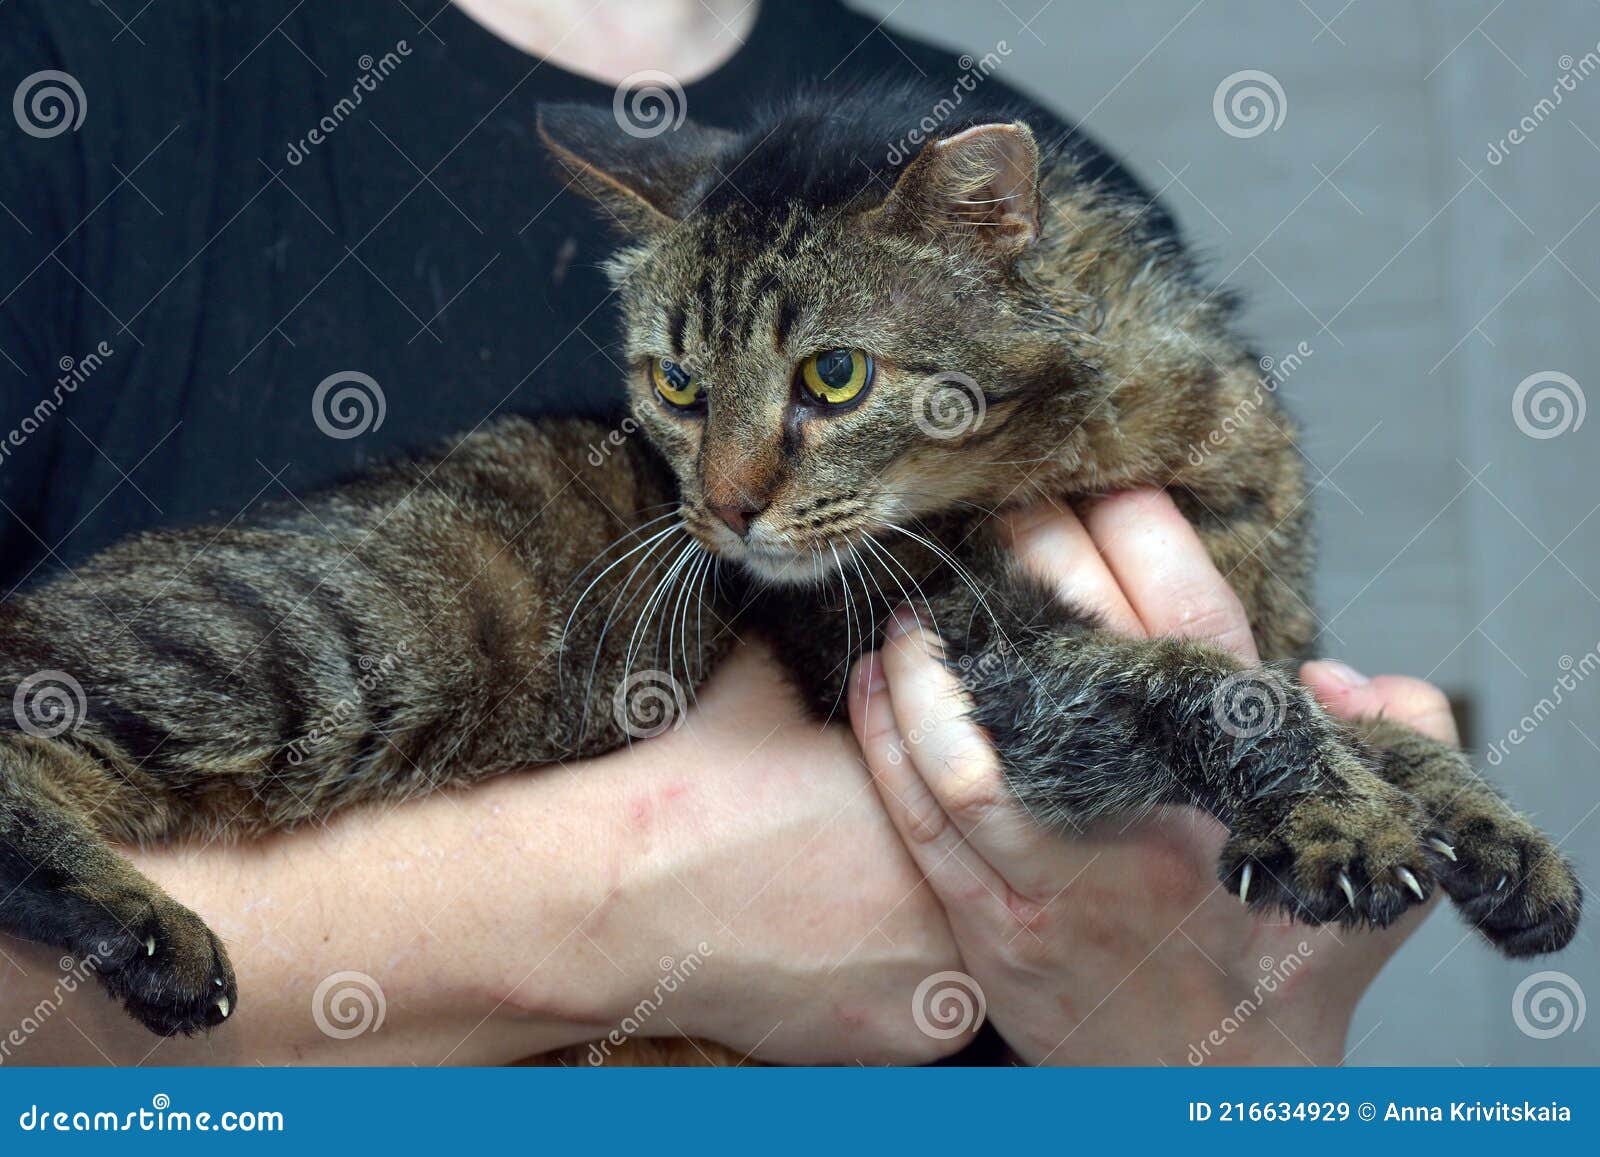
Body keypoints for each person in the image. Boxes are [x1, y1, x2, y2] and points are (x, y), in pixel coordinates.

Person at [0, 0, 1456, 1064]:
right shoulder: (70, 76)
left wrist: (1232, 1041)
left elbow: (1211, 1014)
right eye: (688, 395)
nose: (734, 493)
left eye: (826, 384)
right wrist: (639, 894)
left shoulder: (1043, 195)